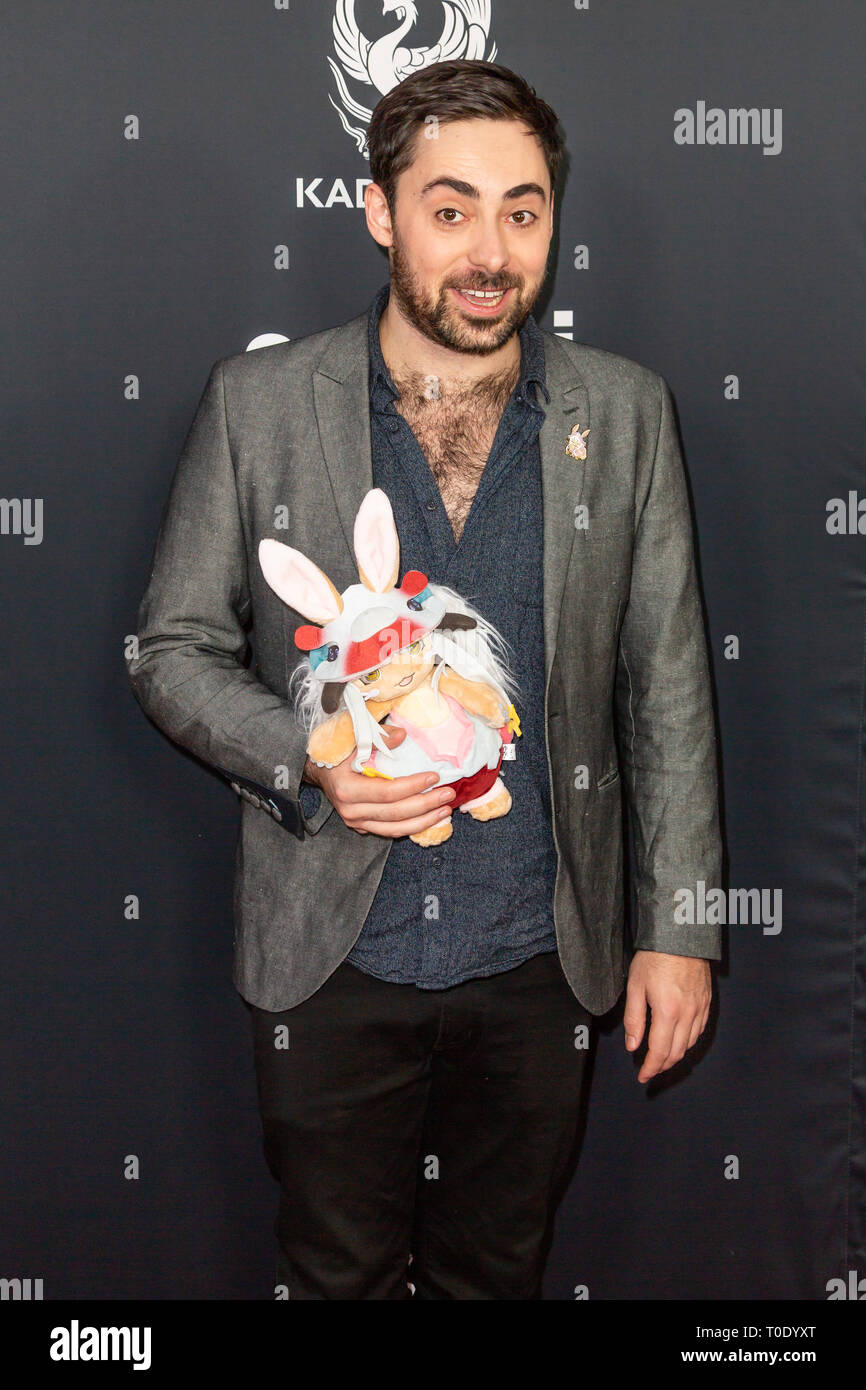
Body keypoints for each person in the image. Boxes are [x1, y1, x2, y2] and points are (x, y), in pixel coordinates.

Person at [127, 58, 723, 1300]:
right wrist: (313, 760)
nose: (490, 251)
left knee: (494, 1275)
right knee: (333, 1274)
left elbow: (665, 685)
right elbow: (173, 647)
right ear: (378, 212)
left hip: (538, 953)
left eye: (523, 210)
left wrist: (678, 929)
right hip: (333, 957)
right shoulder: (260, 404)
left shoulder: (623, 415)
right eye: (450, 209)